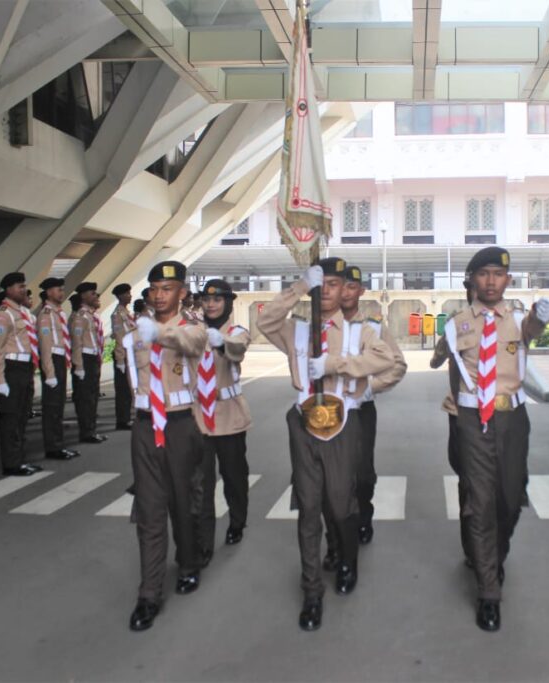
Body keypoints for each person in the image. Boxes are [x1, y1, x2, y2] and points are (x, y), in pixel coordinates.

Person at [257, 257, 395, 632]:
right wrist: (301, 287)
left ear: (344, 288)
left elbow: (385, 358)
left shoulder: (358, 332)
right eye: (323, 284)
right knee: (308, 507)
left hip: (344, 422)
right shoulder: (297, 330)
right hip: (304, 423)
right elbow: (266, 322)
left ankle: (347, 560)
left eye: (334, 284)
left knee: (340, 503)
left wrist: (335, 364)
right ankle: (312, 591)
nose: (328, 291)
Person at [443, 246, 549, 632]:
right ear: (472, 280)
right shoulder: (457, 324)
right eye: (483, 274)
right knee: (480, 502)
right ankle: (488, 591)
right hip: (473, 418)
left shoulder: (519, 320)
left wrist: (542, 316)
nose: (491, 281)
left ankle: (493, 555)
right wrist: (457, 422)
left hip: (512, 418)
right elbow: (451, 373)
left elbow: (533, 330)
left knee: (509, 498)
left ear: (508, 280)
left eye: (498, 274)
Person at [125, 260, 207, 632]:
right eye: (155, 288)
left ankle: (188, 562)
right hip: (145, 425)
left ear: (182, 293)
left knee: (183, 501)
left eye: (167, 289)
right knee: (149, 510)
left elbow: (191, 344)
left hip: (179, 424)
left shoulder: (192, 328)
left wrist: (158, 333)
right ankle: (149, 593)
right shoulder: (135, 333)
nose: (159, 295)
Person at [338, 265, 406, 547]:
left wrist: (371, 387)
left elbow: (398, 364)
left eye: (351, 287)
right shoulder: (321, 327)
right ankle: (337, 535)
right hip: (327, 410)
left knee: (363, 474)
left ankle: (363, 517)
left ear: (361, 291)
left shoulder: (374, 328)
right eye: (339, 286)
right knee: (332, 476)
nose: (345, 293)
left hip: (361, 410)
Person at [192, 279, 252, 565]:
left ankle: (237, 522)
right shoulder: (193, 331)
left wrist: (220, 342)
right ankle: (204, 544)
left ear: (228, 303)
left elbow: (237, 348)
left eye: (217, 300)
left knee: (234, 477)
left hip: (229, 415)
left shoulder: (236, 331)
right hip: (199, 417)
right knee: (201, 484)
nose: (211, 304)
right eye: (206, 300)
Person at [431, 281, 474, 568]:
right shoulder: (456, 324)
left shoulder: (507, 322)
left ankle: (483, 544)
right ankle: (473, 547)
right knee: (468, 478)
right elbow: (436, 360)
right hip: (461, 412)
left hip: (496, 414)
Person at [0, 272, 42, 477]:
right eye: (19, 286)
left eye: (24, 286)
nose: (23, 290)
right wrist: (0, 379)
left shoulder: (23, 312)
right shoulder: (4, 314)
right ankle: (11, 463)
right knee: (11, 418)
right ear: (8, 289)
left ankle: (20, 459)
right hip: (11, 368)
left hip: (25, 367)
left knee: (22, 416)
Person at [37, 278, 80, 461]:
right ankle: (53, 447)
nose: (62, 293)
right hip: (53, 360)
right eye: (58, 290)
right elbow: (45, 345)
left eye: (62, 289)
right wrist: (49, 372)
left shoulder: (58, 313)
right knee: (52, 406)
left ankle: (59, 444)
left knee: (59, 405)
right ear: (48, 292)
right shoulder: (46, 315)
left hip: (60, 358)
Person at [70, 282, 106, 444]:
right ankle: (86, 431)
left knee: (92, 396)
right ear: (83, 296)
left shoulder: (90, 316)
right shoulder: (80, 317)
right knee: (86, 397)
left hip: (92, 358)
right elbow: (76, 342)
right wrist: (78, 365)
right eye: (92, 293)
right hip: (85, 359)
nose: (95, 296)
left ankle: (91, 429)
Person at [111, 283, 136, 431]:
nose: (130, 296)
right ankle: (122, 420)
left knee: (128, 389)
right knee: (123, 390)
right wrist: (120, 359)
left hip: (129, 354)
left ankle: (126, 418)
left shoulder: (125, 312)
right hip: (124, 355)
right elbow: (120, 337)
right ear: (120, 296)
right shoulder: (117, 315)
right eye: (127, 293)